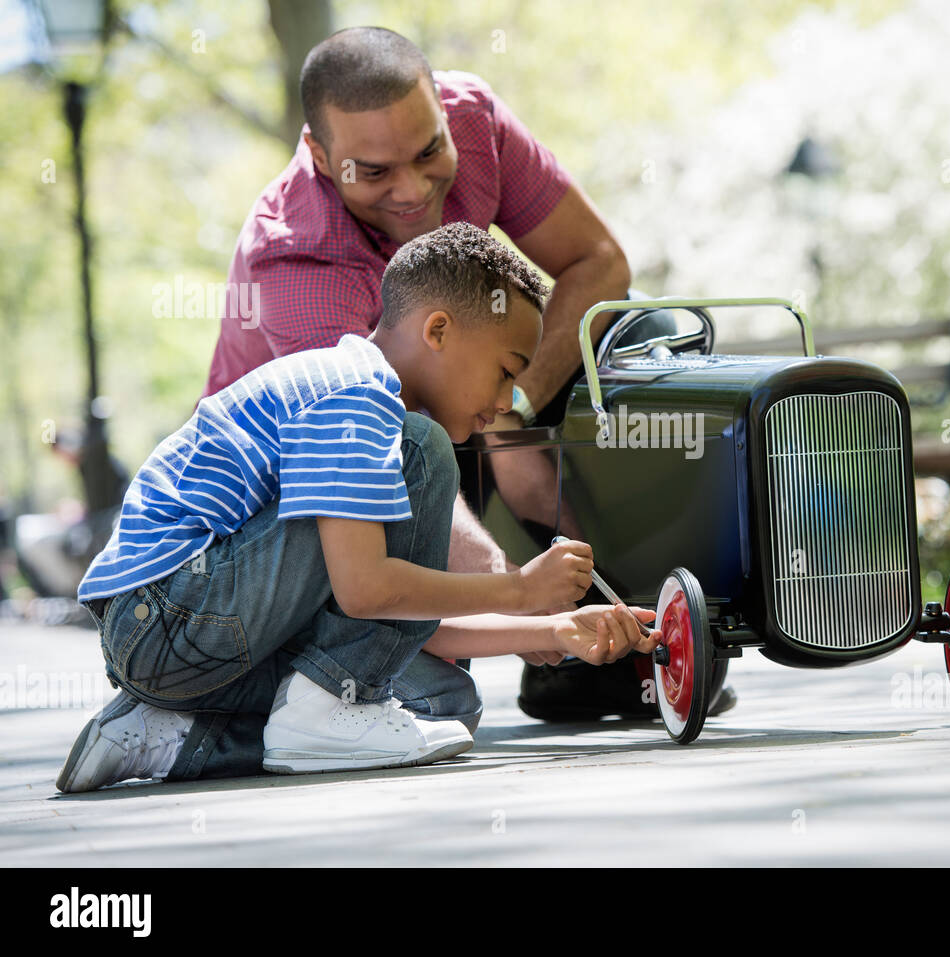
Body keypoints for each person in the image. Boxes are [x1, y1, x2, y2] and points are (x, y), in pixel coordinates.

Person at [198, 25, 733, 722]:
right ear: (321, 159)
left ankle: (627, 627)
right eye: (376, 171)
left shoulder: (475, 116)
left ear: (445, 115)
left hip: (443, 410)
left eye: (428, 152)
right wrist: (510, 593)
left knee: (637, 333)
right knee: (438, 700)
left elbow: (597, 263)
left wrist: (513, 412)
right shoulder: (297, 262)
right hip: (304, 503)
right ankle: (249, 694)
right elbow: (378, 456)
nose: (415, 191)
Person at [56, 224, 660, 793]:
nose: (505, 402)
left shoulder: (367, 404)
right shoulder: (359, 395)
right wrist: (519, 590)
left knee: (444, 701)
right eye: (505, 372)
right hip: (167, 610)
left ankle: (166, 736)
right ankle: (317, 713)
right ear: (439, 330)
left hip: (187, 635)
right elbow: (367, 591)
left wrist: (550, 627)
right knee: (423, 449)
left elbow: (396, 623)